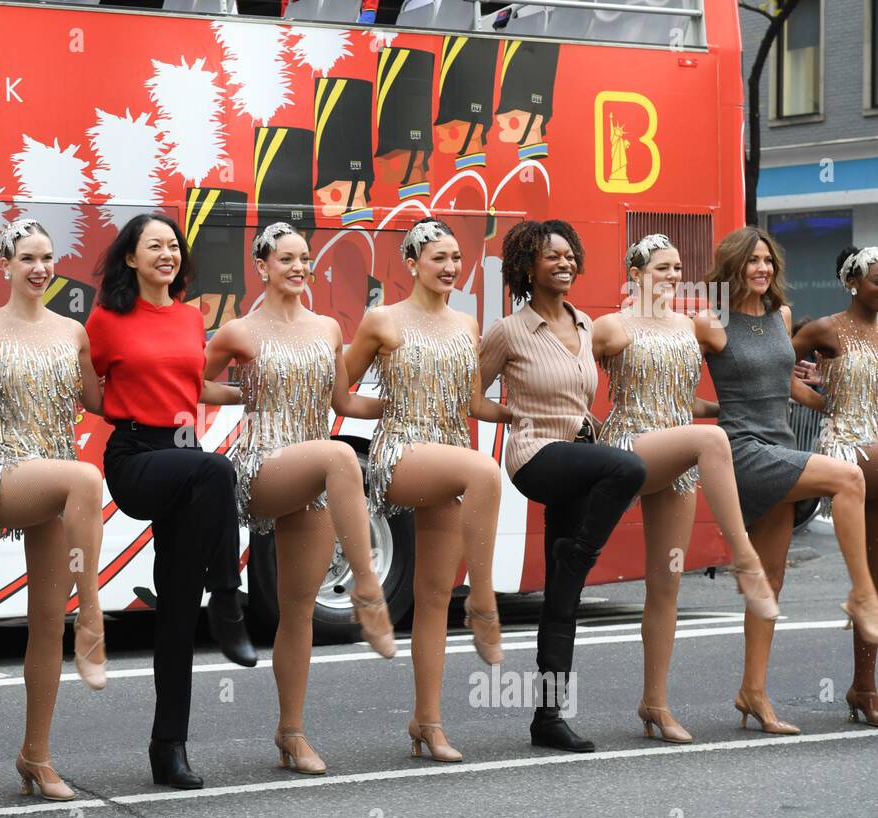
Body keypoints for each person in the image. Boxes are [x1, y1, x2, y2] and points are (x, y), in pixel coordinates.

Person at [204, 222, 394, 775]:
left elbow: (343, 401)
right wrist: (245, 393)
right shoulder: (239, 331)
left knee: (298, 611)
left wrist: (397, 406)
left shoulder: (328, 328)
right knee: (339, 456)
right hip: (262, 465)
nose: (298, 266)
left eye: (304, 258)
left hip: (311, 479)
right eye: (285, 258)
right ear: (261, 266)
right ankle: (366, 587)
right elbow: (192, 384)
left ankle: (291, 734)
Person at [85, 213, 252, 790]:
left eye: (173, 245)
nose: (167, 253)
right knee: (217, 469)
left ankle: (168, 749)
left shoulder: (189, 316)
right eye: (153, 245)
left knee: (178, 612)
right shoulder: (106, 320)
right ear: (130, 258)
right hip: (136, 456)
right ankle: (229, 600)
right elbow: (92, 392)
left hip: (188, 461)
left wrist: (250, 391)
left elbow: (194, 385)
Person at [593, 234, 779, 744]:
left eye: (678, 268)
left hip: (680, 456)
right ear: (636, 272)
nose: (673, 276)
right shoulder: (612, 327)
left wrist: (729, 413)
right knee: (710, 440)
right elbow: (572, 382)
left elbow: (688, 404)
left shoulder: (689, 328)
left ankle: (654, 703)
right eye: (662, 267)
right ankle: (746, 559)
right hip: (632, 447)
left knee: (666, 584)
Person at [698, 227, 878, 734]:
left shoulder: (780, 317)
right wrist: (716, 413)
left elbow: (784, 384)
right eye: (751, 261)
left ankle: (752, 692)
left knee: (770, 582)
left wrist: (825, 400)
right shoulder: (710, 324)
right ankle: (864, 594)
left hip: (779, 445)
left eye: (768, 261)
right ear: (733, 267)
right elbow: (670, 379)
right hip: (744, 451)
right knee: (846, 476)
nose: (762, 269)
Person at [479, 219, 648, 754]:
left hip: (576, 454)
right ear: (528, 266)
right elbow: (468, 395)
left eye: (570, 255)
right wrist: (513, 415)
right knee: (628, 469)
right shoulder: (509, 330)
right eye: (553, 256)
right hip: (535, 456)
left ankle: (548, 717)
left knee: (562, 599)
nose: (566, 263)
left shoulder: (584, 323)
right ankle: (579, 555)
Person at [0, 219, 105, 801]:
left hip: (60, 483)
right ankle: (93, 620)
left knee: (45, 622)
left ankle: (35, 757)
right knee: (88, 478)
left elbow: (99, 400)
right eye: (27, 258)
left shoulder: (73, 332)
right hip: (6, 473)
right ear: (6, 265)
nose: (39, 268)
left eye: (46, 258)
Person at [343, 218, 507, 763]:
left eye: (456, 258)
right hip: (401, 455)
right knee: (484, 472)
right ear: (412, 263)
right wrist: (390, 407)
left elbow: (473, 405)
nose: (451, 267)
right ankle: (483, 604)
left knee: (433, 597)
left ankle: (427, 723)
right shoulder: (382, 320)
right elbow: (339, 396)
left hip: (448, 456)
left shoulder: (466, 324)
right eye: (439, 257)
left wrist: (524, 413)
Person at [791, 245, 878, 726]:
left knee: (872, 579)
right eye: (876, 281)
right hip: (845, 447)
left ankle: (864, 688)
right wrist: (816, 402)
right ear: (853, 283)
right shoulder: (826, 328)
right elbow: (775, 366)